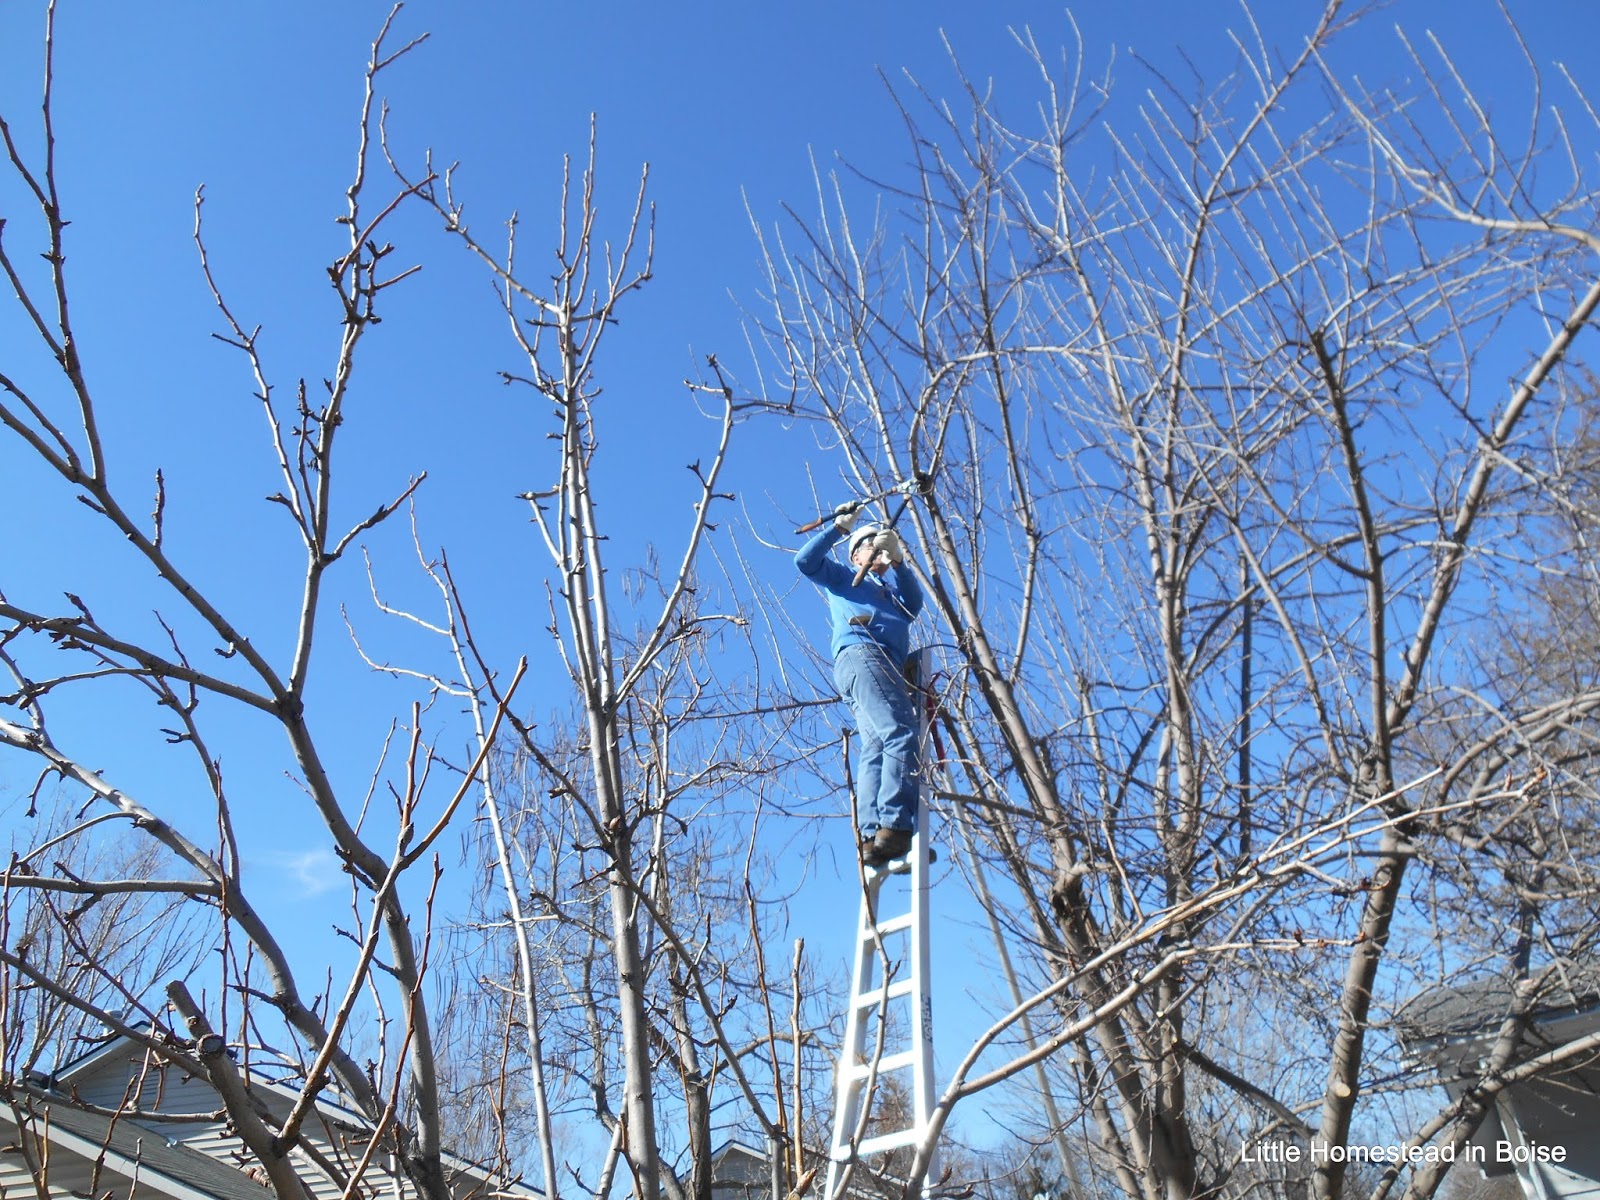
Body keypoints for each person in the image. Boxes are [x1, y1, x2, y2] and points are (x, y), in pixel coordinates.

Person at [795, 503, 925, 866]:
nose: (880, 552)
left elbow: (914, 607)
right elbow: (804, 562)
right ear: (856, 554)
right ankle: (896, 824)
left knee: (877, 745)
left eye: (883, 547)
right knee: (900, 732)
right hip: (865, 653)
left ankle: (873, 837)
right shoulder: (842, 577)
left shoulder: (890, 591)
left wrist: (898, 562)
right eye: (873, 546)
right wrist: (838, 529)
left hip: (869, 664)